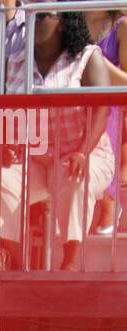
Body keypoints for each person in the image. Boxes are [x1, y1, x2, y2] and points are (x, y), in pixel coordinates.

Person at [0, 11, 115, 270]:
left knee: (74, 176)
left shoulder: (86, 57)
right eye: (30, 17)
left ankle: (71, 263)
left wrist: (82, 153)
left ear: (62, 22)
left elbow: (102, 111)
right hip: (35, 158)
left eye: (42, 16)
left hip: (84, 153)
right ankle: (18, 267)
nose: (32, 21)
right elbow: (5, 113)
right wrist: (4, 144)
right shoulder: (15, 61)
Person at [86, 7, 127, 232]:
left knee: (104, 111)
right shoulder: (66, 20)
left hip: (111, 102)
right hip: (76, 96)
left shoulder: (122, 26)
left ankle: (109, 200)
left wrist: (96, 62)